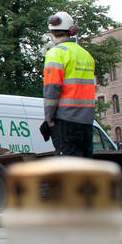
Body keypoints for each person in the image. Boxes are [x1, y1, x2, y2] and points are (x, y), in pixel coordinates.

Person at [41, 11, 97, 158]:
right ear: (72, 30)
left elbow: (52, 89)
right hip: (86, 122)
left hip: (65, 121)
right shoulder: (86, 55)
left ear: (51, 31)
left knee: (67, 172)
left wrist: (49, 119)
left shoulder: (55, 53)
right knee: (85, 169)